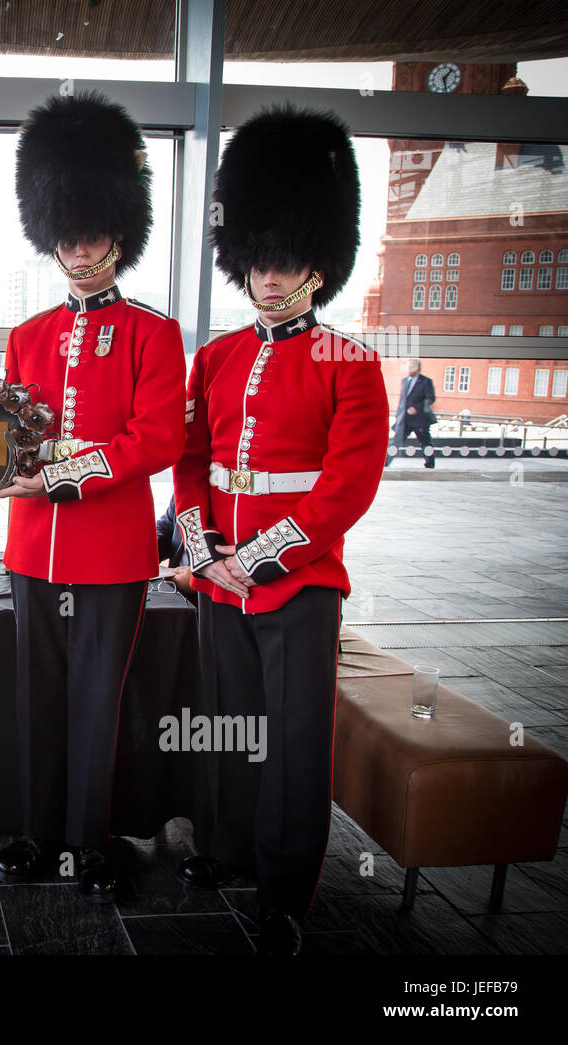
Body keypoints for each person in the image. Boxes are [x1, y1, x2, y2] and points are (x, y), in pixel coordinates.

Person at [171, 105, 388, 955]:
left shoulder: (351, 360)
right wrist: (199, 547)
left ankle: (286, 888)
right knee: (228, 720)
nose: (269, 276)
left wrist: (258, 559)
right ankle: (225, 849)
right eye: (258, 259)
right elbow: (191, 461)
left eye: (287, 260)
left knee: (295, 744)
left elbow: (345, 490)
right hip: (217, 570)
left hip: (296, 582)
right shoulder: (219, 357)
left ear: (319, 264)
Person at [0, 92, 186, 903]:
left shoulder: (152, 333)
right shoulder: (28, 335)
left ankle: (88, 841)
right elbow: (3, 440)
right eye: (67, 232)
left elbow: (157, 439)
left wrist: (66, 473)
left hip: (112, 554)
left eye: (94, 230)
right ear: (51, 236)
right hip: (35, 548)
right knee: (39, 704)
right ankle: (38, 835)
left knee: (98, 705)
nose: (80, 245)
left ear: (119, 234)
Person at [386, 358, 436, 467]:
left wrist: (417, 408)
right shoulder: (404, 381)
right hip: (405, 420)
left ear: (418, 368)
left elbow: (430, 398)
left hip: (420, 420)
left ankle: (430, 464)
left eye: (411, 366)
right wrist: (398, 416)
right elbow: (403, 400)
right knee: (395, 441)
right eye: (408, 366)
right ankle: (385, 463)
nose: (409, 369)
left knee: (425, 443)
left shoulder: (426, 382)